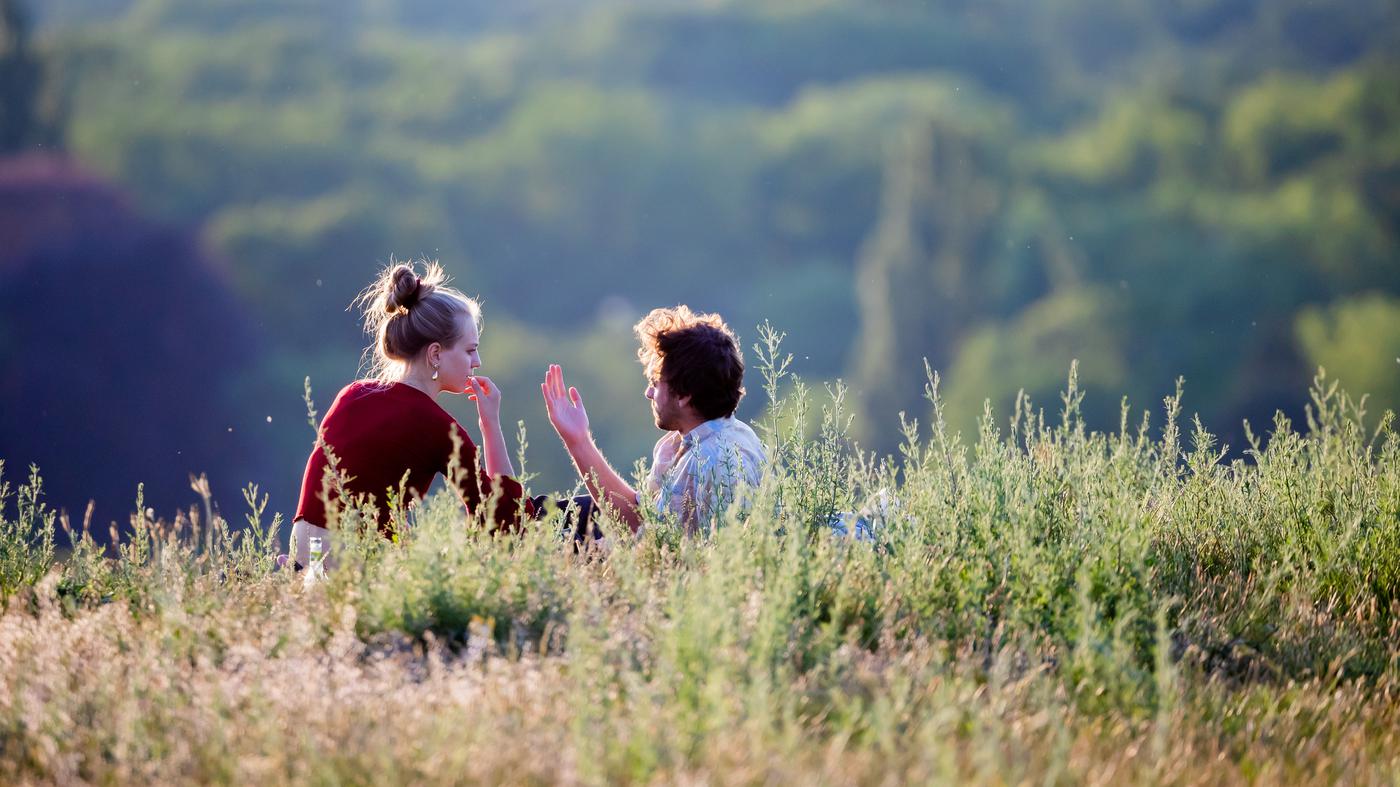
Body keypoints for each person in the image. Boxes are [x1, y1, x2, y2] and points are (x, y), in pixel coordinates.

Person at [289, 260, 534, 568]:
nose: (478, 362)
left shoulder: (352, 394)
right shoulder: (436, 426)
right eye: (470, 350)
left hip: (305, 550)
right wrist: (491, 424)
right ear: (435, 354)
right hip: (351, 561)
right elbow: (506, 520)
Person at [541, 306, 766, 537]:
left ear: (684, 394)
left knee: (550, 536)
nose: (649, 393)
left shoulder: (711, 461)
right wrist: (578, 439)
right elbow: (638, 519)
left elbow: (656, 553)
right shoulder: (713, 437)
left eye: (656, 382)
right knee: (558, 515)